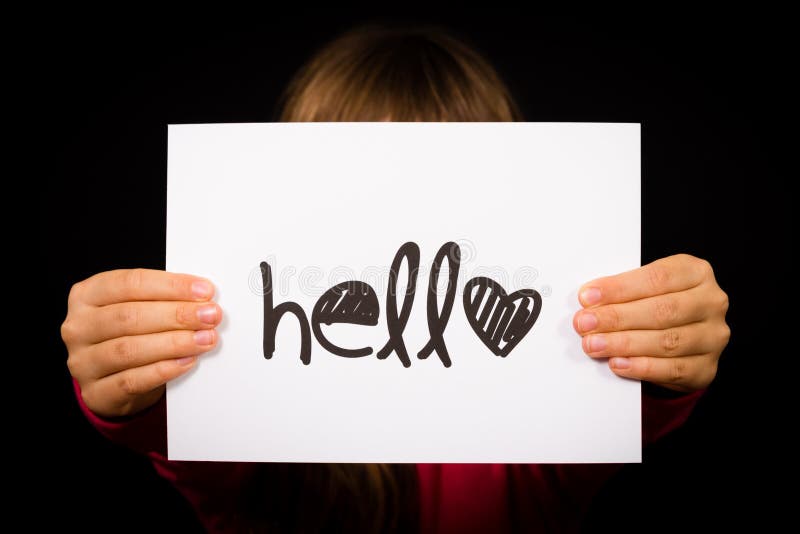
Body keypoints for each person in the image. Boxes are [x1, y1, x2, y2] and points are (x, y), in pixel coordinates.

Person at [61, 25, 730, 533]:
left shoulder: (531, 418)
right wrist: (131, 377)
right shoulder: (258, 393)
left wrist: (661, 356)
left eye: (440, 186)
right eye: (359, 184)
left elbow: (612, 410)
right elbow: (184, 433)